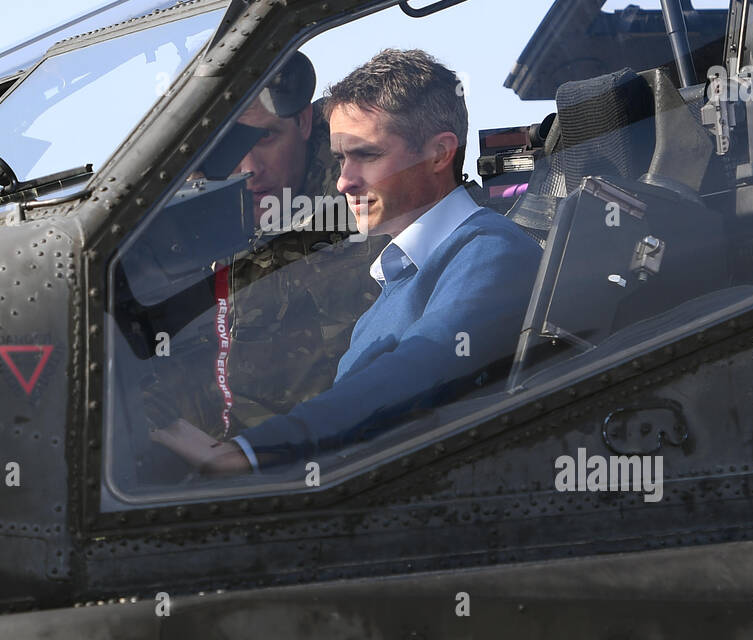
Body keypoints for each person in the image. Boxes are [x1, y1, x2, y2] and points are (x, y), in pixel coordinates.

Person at [153, 48, 543, 474]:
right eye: (341, 158)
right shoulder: (397, 275)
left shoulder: (489, 252)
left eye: (367, 156)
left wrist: (247, 452)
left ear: (439, 154)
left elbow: (418, 370)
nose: (344, 181)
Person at [145, 52, 380, 443]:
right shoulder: (179, 223)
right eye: (225, 146)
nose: (249, 167)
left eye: (265, 137)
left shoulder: (369, 208)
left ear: (304, 121)